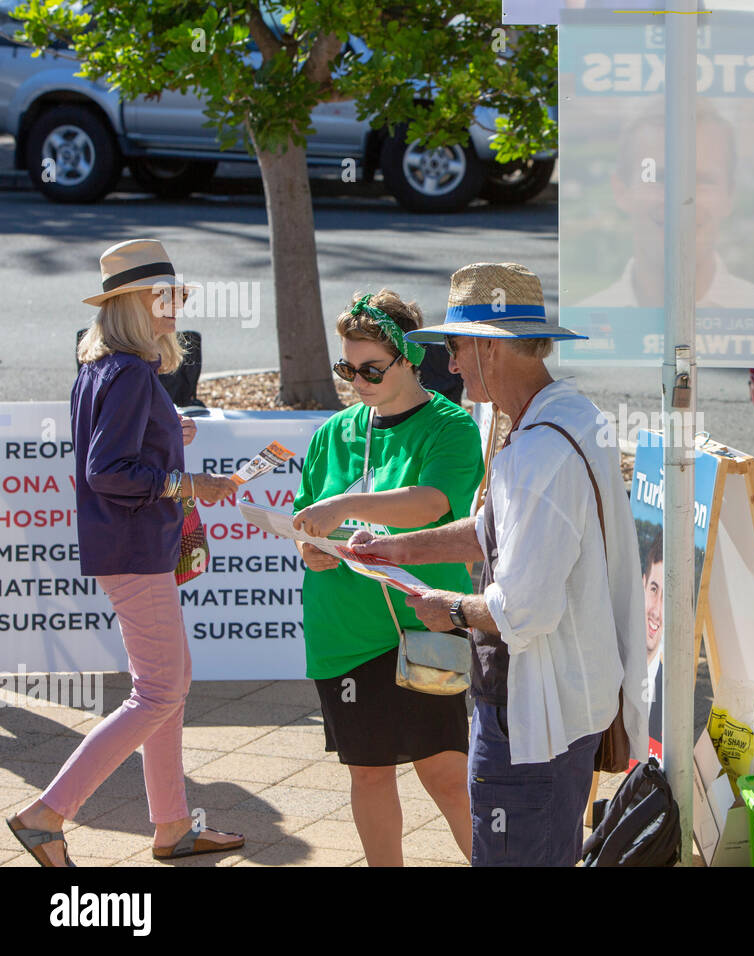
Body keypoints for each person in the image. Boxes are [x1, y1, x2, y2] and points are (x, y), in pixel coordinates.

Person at [349, 262, 649, 866]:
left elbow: (526, 609)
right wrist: (405, 548)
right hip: (554, 706)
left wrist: (450, 610)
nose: (451, 364)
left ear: (492, 347)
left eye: (457, 347)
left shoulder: (540, 450)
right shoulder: (565, 417)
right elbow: (494, 531)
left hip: (531, 715)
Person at [5, 239, 241, 867]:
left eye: (178, 294)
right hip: (136, 549)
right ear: (136, 302)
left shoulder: (106, 366)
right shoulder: (133, 372)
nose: (177, 306)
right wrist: (190, 483)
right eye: (167, 295)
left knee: (168, 685)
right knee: (160, 692)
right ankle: (45, 814)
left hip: (127, 549)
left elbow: (113, 452)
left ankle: (170, 826)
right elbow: (108, 470)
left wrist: (169, 431)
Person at [290, 289, 483, 866]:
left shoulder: (450, 426)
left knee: (445, 773)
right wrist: (313, 549)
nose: (357, 380)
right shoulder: (334, 432)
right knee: (369, 773)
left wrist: (341, 511)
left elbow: (432, 503)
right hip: (343, 631)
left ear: (409, 360)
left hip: (421, 624)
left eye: (371, 367)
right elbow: (306, 521)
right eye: (346, 367)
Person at [642, 528, 665, 763]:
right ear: (643, 584)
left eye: (665, 597)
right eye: (654, 590)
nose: (656, 610)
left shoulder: (668, 693)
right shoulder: (616, 670)